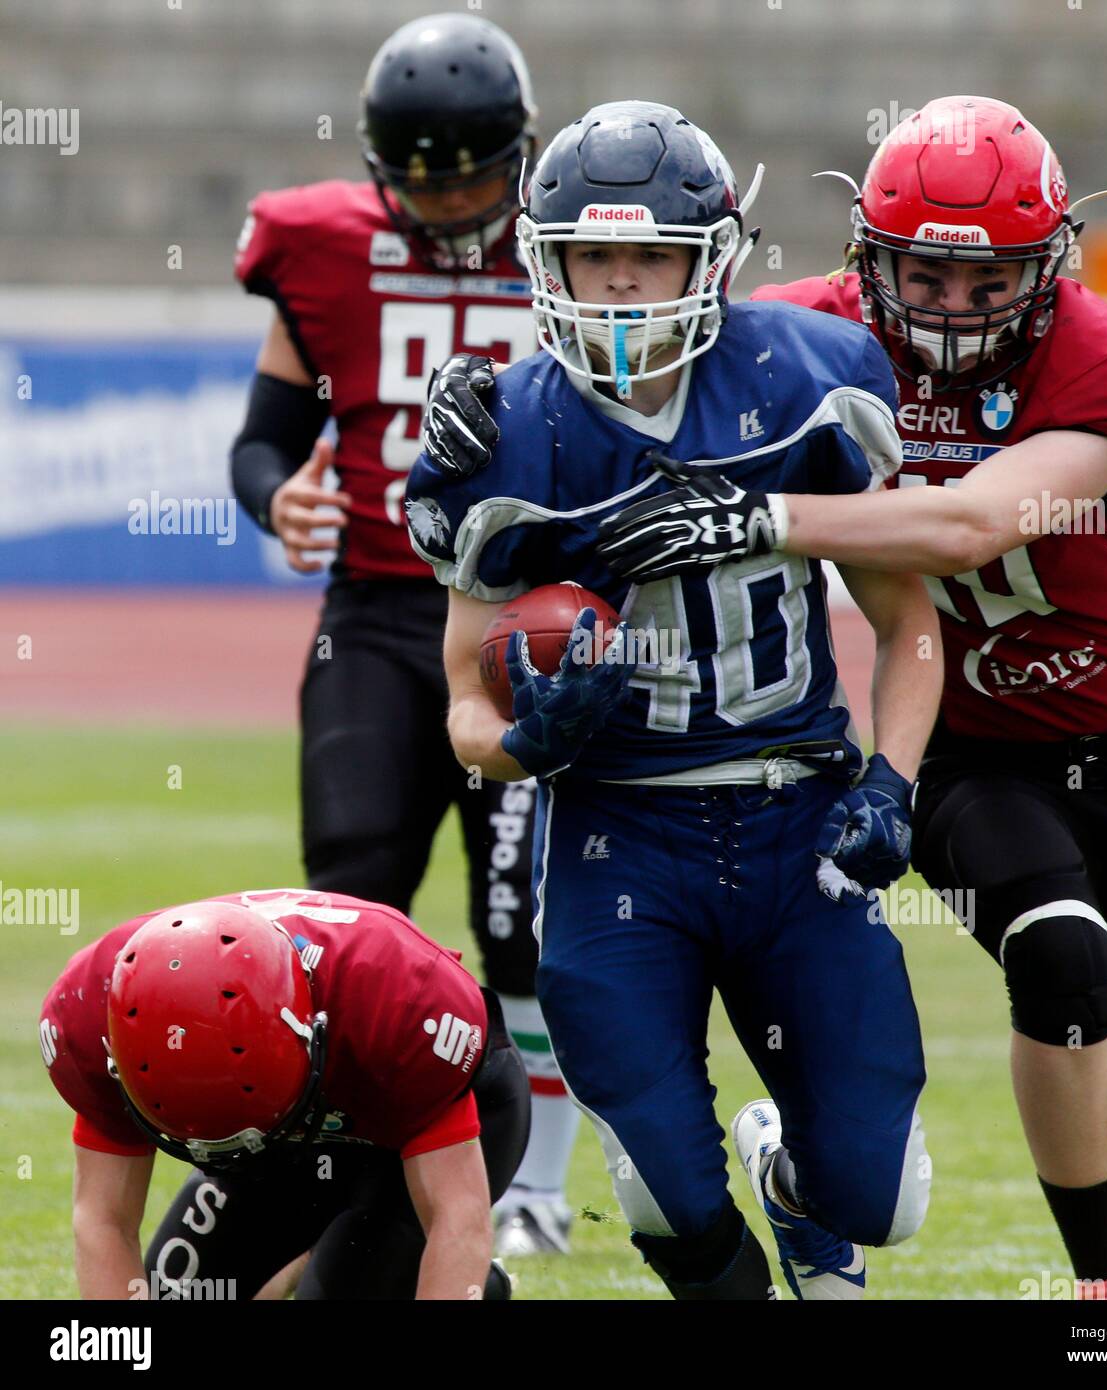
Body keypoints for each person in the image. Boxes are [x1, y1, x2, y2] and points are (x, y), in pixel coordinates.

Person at [591, 96, 1107, 1298]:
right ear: (866, 259)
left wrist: (767, 514)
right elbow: (647, 337)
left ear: (1049, 265)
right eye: (922, 278)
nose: (949, 310)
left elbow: (975, 524)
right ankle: (1105, 1295)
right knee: (1059, 956)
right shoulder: (811, 334)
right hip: (958, 750)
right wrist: (495, 398)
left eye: (985, 281)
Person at [405, 100, 938, 1300]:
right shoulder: (506, 434)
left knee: (881, 1199)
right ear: (547, 262)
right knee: (666, 1202)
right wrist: (525, 743)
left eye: (650, 253)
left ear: (713, 258)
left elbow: (909, 622)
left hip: (797, 816)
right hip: (616, 830)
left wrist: (892, 781)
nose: (622, 286)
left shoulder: (811, 379)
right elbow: (460, 707)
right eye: (594, 256)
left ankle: (801, 1200)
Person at [227, 13, 577, 1256]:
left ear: (521, 154)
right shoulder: (322, 247)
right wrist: (277, 492)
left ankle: (533, 1177)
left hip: (531, 620)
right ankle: (361, 1162)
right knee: (351, 893)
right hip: (378, 611)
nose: (448, 203)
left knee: (524, 919)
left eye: (474, 175)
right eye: (422, 179)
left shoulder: (582, 236)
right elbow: (264, 434)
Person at [38, 889, 528, 1300]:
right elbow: (104, 1218)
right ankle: (310, 1256)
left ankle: (477, 1285)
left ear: (306, 1035)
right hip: (275, 1155)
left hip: (404, 1129)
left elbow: (454, 1215)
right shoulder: (87, 1013)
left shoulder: (400, 1005)